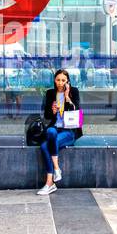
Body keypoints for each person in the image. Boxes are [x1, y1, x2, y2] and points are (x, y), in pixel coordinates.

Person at [37, 68, 82, 196]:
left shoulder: (74, 91)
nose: (60, 83)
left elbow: (77, 110)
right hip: (55, 128)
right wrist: (53, 111)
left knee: (44, 146)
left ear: (67, 81)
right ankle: (57, 169)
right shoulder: (50, 93)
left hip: (69, 131)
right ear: (54, 80)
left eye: (63, 80)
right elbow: (46, 115)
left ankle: (49, 183)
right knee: (51, 131)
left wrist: (67, 97)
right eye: (58, 80)